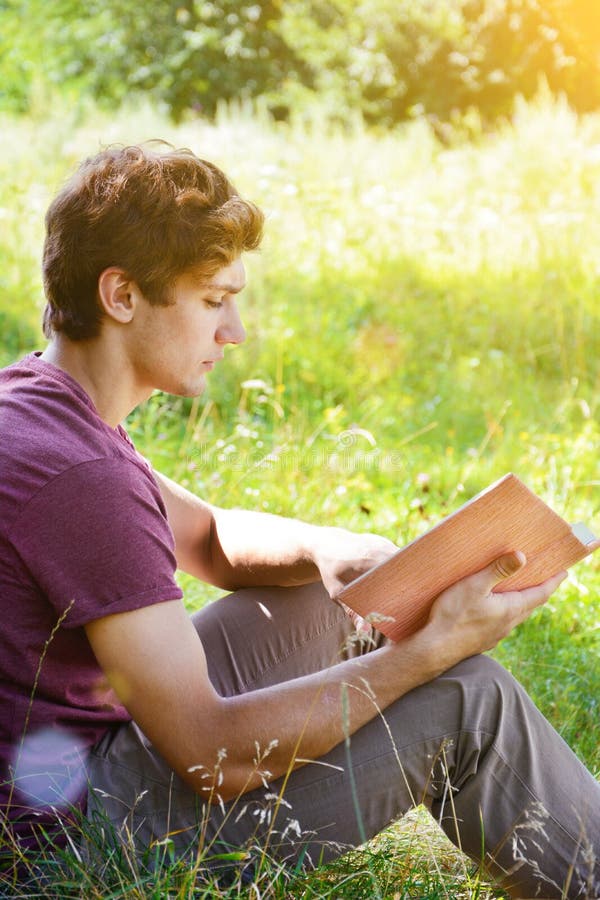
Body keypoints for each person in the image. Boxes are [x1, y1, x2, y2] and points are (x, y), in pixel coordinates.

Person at [0, 143, 598, 899]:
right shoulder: (82, 479)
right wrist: (432, 649)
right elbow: (208, 751)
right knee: (466, 702)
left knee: (329, 602)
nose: (236, 331)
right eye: (214, 299)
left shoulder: (38, 406)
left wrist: (328, 550)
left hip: (68, 769)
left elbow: (210, 538)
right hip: (64, 838)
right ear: (120, 295)